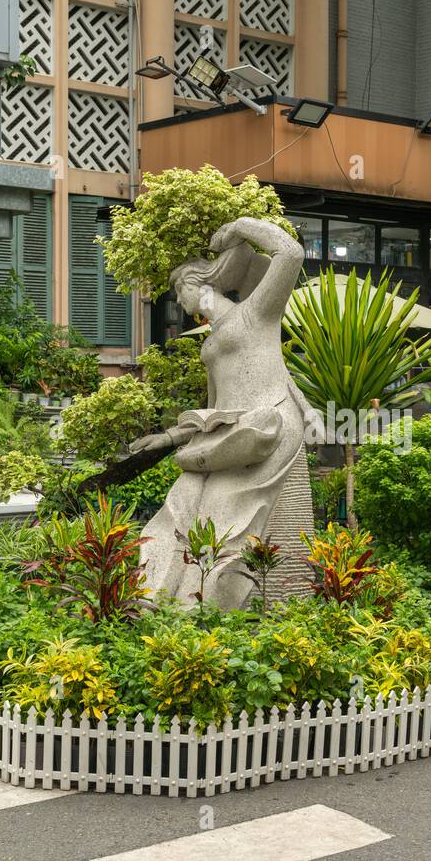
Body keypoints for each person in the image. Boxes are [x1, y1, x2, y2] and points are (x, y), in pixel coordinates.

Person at [124, 217, 316, 608]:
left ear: (199, 285)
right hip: (227, 436)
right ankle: (155, 596)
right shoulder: (210, 343)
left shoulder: (256, 314)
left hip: (266, 430)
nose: (178, 302)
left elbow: (290, 252)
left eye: (179, 292)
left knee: (221, 511)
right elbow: (213, 410)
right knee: (180, 502)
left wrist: (241, 226)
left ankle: (207, 607)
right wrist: (168, 438)